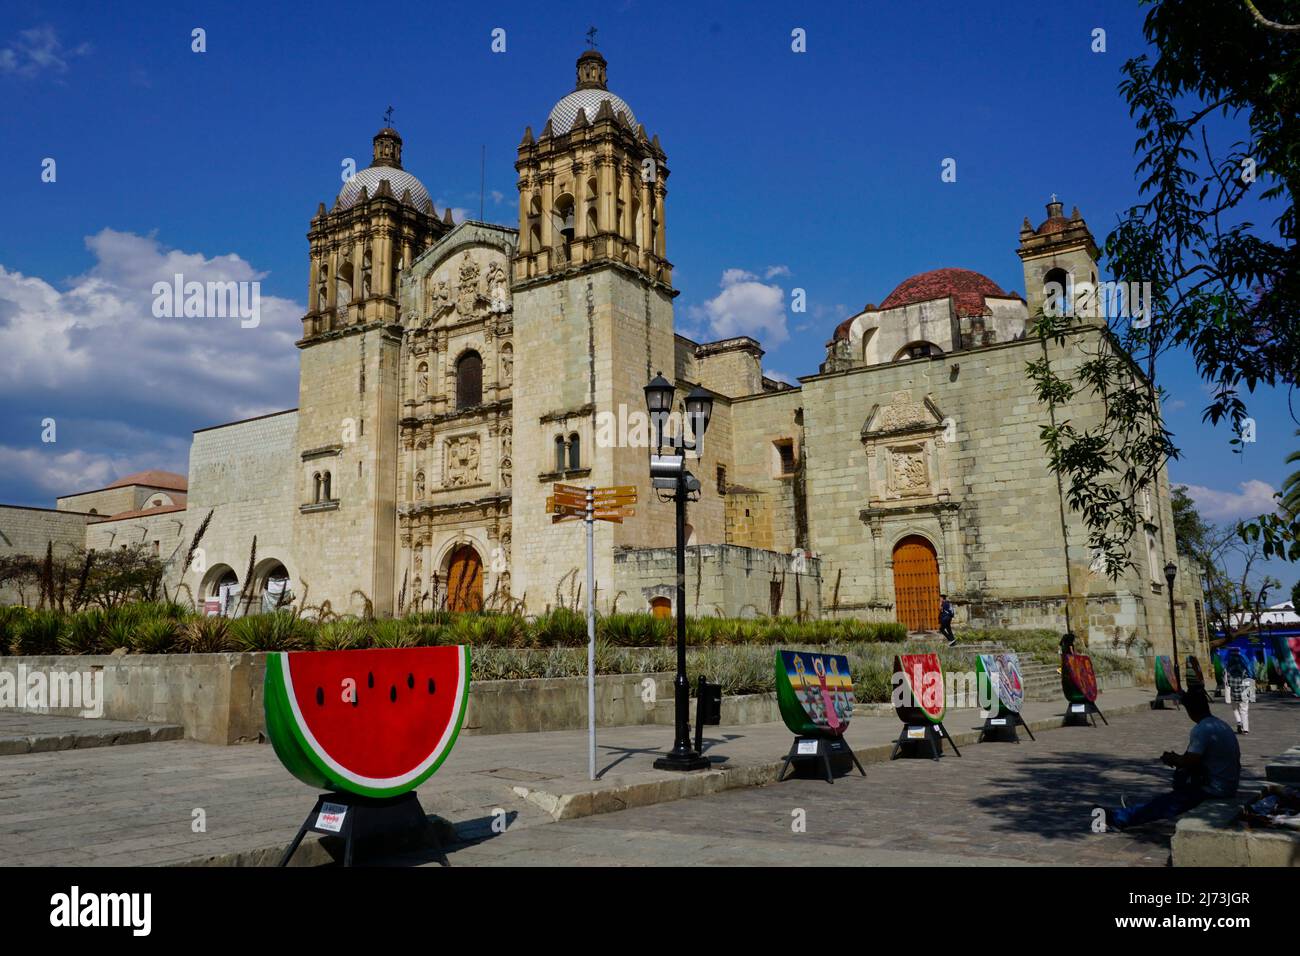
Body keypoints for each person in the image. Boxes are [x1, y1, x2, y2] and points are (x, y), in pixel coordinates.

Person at [1101, 686, 1240, 830]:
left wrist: (1173, 759)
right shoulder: (1220, 724)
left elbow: (1189, 761)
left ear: (1190, 710)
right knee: (1173, 792)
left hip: (1215, 788)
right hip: (1227, 783)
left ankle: (1121, 818)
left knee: (1168, 801)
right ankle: (1136, 810)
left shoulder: (1202, 729)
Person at [1223, 648, 1255, 735]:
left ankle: (1239, 721)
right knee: (1244, 710)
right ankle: (1246, 729)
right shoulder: (1245, 665)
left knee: (1235, 708)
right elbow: (1251, 676)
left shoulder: (1228, 667)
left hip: (1233, 691)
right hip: (1244, 690)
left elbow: (1226, 682)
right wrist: (1251, 693)